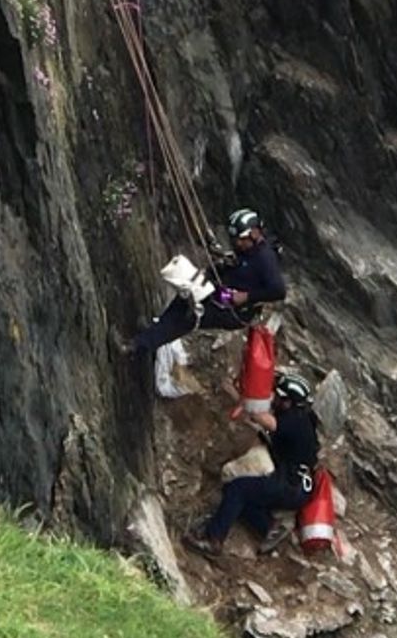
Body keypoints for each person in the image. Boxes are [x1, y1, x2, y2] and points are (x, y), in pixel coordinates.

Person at [182, 372, 319, 558]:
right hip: (299, 485)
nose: (274, 399)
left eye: (278, 396)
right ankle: (269, 527)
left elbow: (268, 422)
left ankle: (213, 539)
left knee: (237, 489)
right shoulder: (304, 416)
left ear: (288, 402)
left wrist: (248, 402)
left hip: (290, 485)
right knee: (246, 496)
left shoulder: (294, 421)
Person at [127, 208, 285, 356]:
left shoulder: (265, 259)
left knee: (187, 317)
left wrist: (246, 296)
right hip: (222, 295)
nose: (237, 243)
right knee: (183, 300)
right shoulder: (247, 250)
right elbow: (240, 265)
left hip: (234, 311)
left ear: (255, 234)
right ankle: (154, 332)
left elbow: (278, 290)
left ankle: (137, 347)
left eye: (241, 239)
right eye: (235, 240)